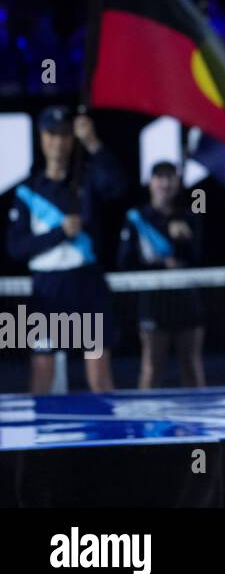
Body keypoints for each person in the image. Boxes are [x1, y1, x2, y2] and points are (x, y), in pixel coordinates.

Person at [6, 105, 125, 393]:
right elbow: (16, 247)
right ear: (42, 138)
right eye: (52, 134)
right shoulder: (27, 191)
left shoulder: (87, 178)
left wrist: (93, 143)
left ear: (72, 139)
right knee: (42, 374)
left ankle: (107, 424)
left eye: (64, 135)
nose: (58, 142)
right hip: (47, 288)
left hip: (87, 283)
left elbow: (118, 188)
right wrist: (60, 233)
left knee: (99, 376)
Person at [117, 160, 206, 388]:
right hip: (152, 301)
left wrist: (185, 240)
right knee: (151, 366)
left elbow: (200, 257)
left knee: (191, 364)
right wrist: (159, 263)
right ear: (151, 182)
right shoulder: (137, 218)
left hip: (186, 299)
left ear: (176, 183)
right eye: (160, 177)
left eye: (170, 178)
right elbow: (124, 262)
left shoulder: (191, 215)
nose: (165, 183)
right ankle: (145, 412)